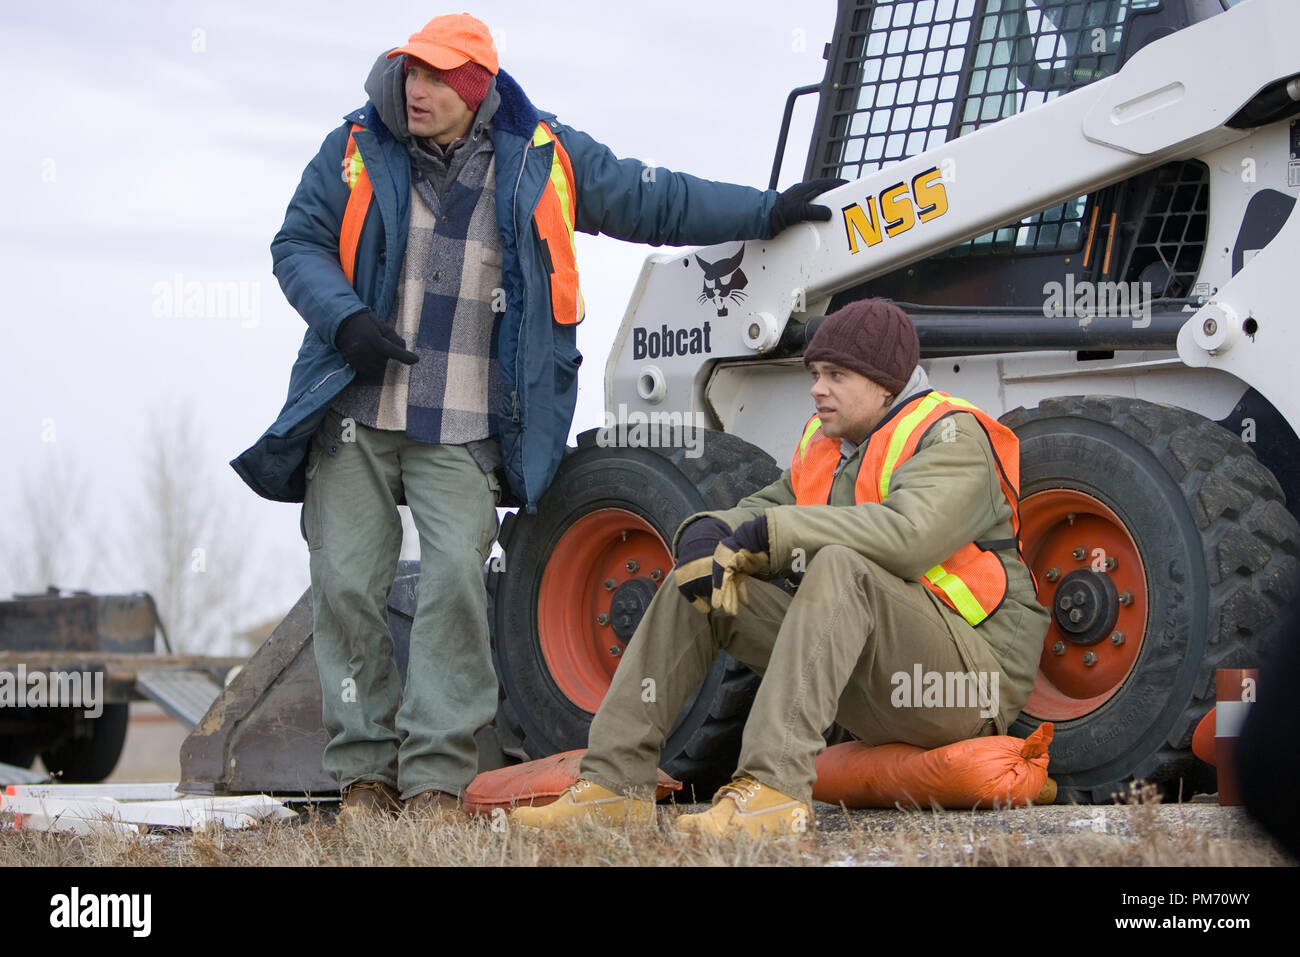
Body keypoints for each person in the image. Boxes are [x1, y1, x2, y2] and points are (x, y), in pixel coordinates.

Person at [230, 12, 842, 821]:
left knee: (455, 585)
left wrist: (765, 210)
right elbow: (295, 244)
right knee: (344, 586)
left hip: (464, 421)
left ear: (477, 87)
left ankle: (435, 783)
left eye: (438, 77)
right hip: (355, 411)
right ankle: (364, 775)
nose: (417, 89)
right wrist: (344, 317)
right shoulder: (352, 147)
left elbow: (650, 197)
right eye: (412, 73)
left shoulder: (542, 156)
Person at [512, 299, 1051, 836]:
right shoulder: (829, 448)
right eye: (815, 373)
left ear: (886, 384)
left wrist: (778, 537)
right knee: (702, 578)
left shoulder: (952, 439)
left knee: (843, 565)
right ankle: (614, 785)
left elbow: (909, 537)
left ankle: (771, 793)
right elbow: (763, 510)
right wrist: (707, 532)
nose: (817, 388)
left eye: (836, 375)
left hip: (964, 688)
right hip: (876, 679)